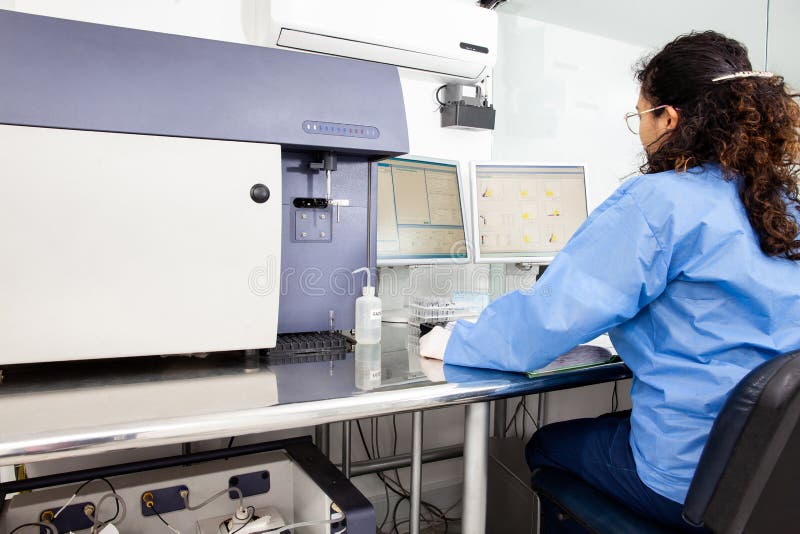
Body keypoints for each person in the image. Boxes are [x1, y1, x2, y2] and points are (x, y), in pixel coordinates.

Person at [419, 31, 800, 531]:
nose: (640, 130)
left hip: (688, 475)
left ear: (671, 118)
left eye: (641, 115)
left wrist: (453, 341)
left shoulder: (659, 201)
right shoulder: (783, 207)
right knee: (604, 428)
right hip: (772, 476)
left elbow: (545, 322)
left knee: (547, 446)